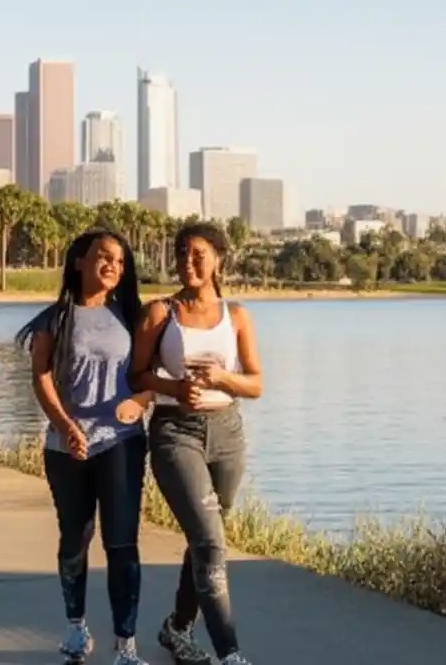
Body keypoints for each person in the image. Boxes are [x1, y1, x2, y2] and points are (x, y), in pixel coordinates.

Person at [15, 229, 156, 665]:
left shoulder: (132, 315)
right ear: (79, 260)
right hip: (66, 447)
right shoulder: (55, 318)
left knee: (121, 542)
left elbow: (150, 376)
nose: (112, 264)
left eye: (119, 259)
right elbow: (40, 376)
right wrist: (65, 425)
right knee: (74, 539)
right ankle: (76, 628)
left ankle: (126, 645)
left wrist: (139, 402)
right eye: (102, 256)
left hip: (121, 443)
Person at [130, 222, 263, 665]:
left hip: (227, 434)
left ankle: (177, 629)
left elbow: (256, 383)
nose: (188, 261)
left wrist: (224, 378)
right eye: (181, 252)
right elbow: (135, 375)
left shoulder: (237, 316)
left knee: (205, 540)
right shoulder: (158, 313)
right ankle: (230, 654)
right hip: (175, 433)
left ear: (219, 258)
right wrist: (171, 387)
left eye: (198, 253)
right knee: (209, 542)